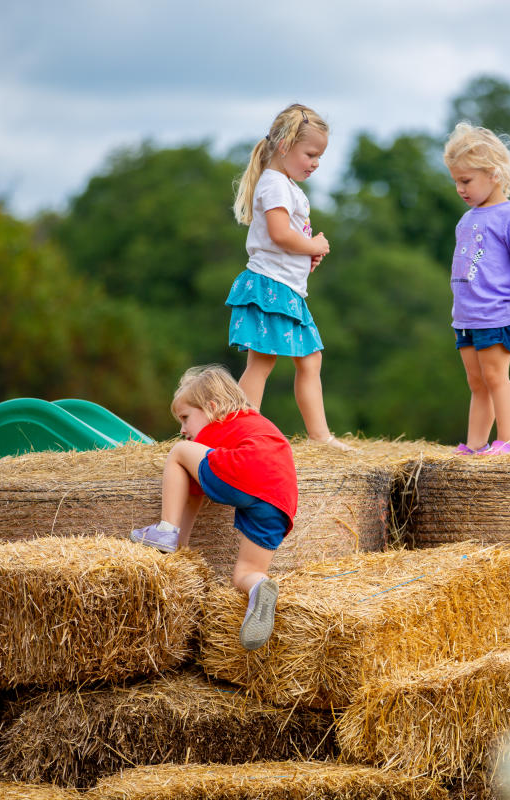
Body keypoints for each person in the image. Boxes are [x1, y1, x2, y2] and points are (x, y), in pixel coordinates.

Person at [129, 364, 298, 651]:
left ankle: (165, 529)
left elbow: (189, 491)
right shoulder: (254, 424)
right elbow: (197, 489)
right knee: (245, 572)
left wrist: (175, 537)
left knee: (178, 453)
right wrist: (181, 547)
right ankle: (259, 587)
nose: (182, 429)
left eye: (185, 418)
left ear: (211, 407)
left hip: (248, 468)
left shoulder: (218, 425)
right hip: (281, 498)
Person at [228, 103, 352, 451]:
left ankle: (320, 437)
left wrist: (306, 255)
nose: (316, 163)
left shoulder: (283, 184)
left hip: (285, 288)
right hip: (270, 287)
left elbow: (283, 240)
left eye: (320, 157)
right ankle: (242, 433)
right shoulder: (275, 185)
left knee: (308, 359)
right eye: (311, 154)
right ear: (284, 146)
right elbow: (280, 234)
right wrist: (313, 244)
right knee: (262, 362)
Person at [442, 121, 510, 455]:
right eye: (456, 181)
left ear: (494, 174)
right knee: (477, 382)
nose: (460, 188)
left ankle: (509, 441)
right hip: (467, 317)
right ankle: (475, 445)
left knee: (496, 377)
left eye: (466, 180)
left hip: (497, 313)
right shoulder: (466, 219)